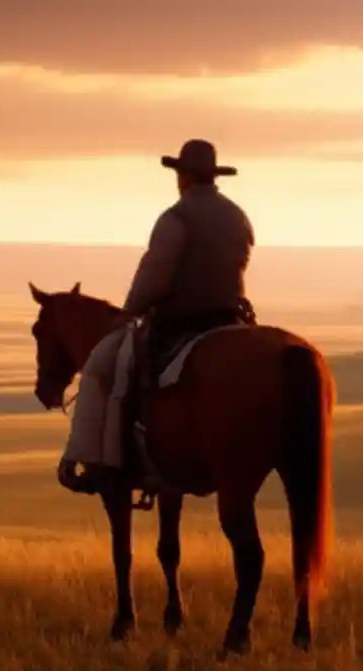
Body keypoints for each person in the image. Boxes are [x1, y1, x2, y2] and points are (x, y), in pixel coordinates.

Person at [58, 139, 255, 492]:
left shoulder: (175, 218)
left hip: (180, 321)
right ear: (212, 176)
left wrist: (130, 310)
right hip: (228, 319)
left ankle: (100, 461)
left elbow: (156, 272)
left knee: (103, 367)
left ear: (183, 176)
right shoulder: (237, 216)